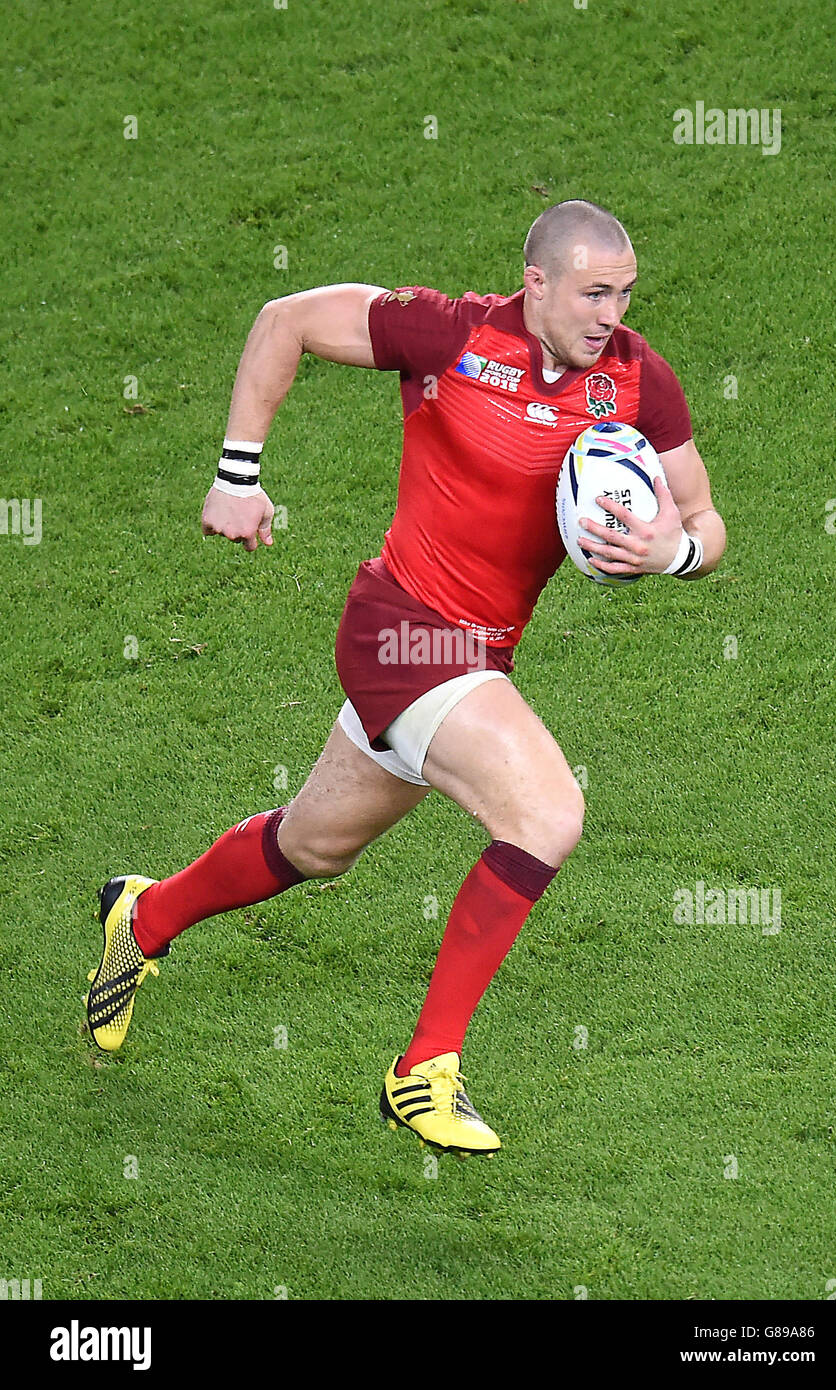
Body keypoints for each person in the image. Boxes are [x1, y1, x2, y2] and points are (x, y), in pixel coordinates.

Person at [86, 199, 726, 1156]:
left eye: (625, 293)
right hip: (398, 632)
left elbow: (706, 521)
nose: (611, 313)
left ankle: (144, 915)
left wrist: (671, 554)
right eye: (594, 292)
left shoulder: (638, 382)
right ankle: (422, 1069)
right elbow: (285, 320)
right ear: (537, 283)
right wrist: (237, 472)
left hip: (478, 655)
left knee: (313, 847)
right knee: (547, 813)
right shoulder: (450, 333)